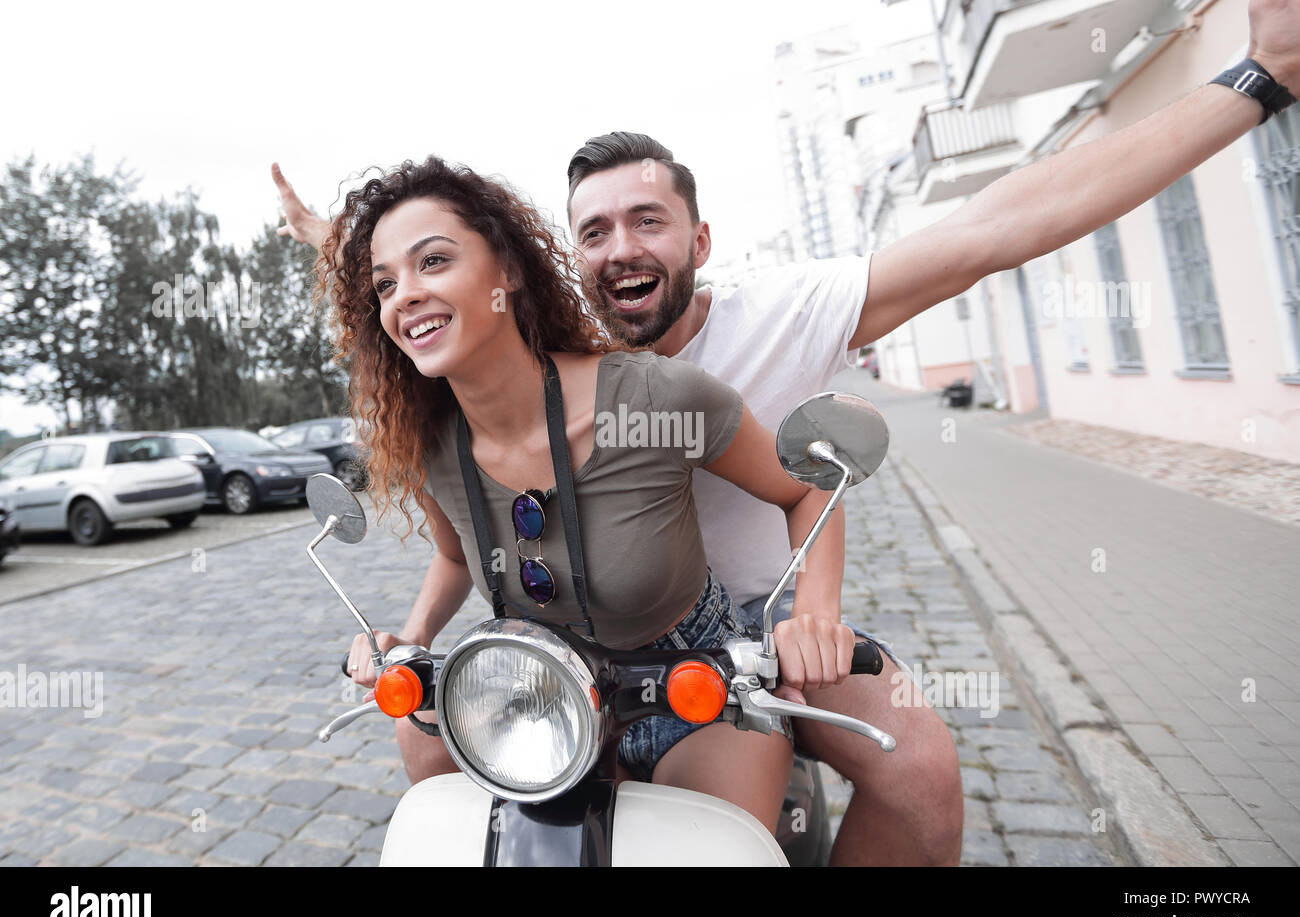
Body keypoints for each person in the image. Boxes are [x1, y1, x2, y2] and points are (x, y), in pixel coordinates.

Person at [273, 1, 1300, 864]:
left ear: (698, 238)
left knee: (921, 766)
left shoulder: (767, 321)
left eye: (647, 221)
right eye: (593, 229)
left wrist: (1255, 80)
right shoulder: (514, 362)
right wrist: (340, 245)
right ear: (561, 253)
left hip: (751, 632)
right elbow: (428, 287)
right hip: (562, 652)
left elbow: (992, 232)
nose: (621, 247)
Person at [316, 154, 863, 834]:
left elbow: (807, 491)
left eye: (433, 262)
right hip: (541, 692)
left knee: (713, 847)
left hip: (695, 685)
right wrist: (410, 637)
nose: (405, 295)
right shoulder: (433, 448)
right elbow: (457, 558)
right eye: (385, 284)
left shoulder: (651, 397)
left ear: (508, 272)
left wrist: (814, 612)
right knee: (423, 744)